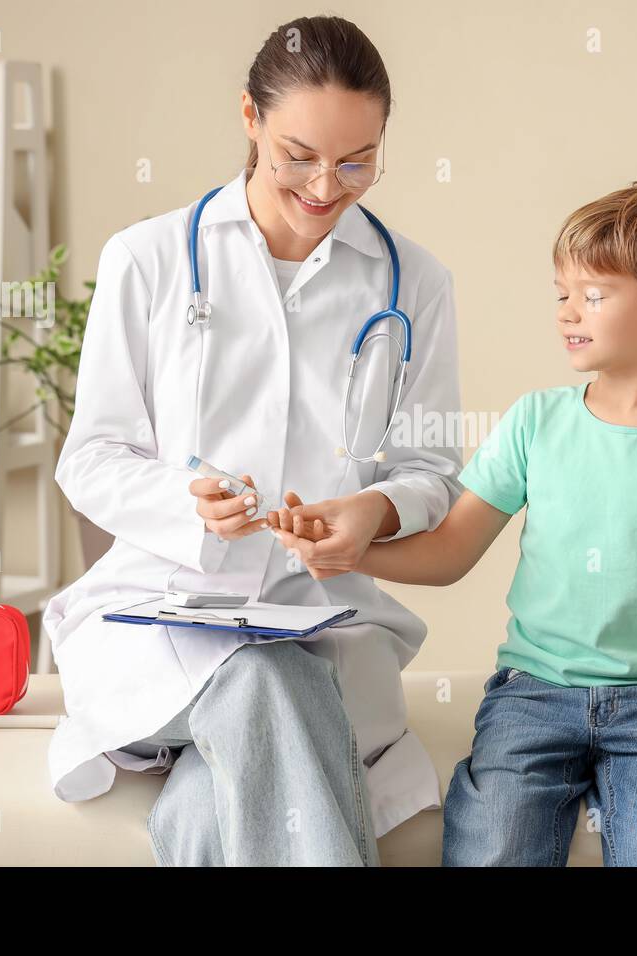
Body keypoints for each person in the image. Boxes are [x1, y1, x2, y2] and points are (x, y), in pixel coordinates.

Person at [41, 15, 463, 866]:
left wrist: (375, 510)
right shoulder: (151, 258)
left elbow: (432, 470)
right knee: (267, 679)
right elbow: (89, 458)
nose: (325, 185)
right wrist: (181, 503)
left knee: (210, 806)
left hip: (326, 621)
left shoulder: (413, 280)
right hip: (157, 620)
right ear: (248, 118)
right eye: (298, 154)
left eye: (357, 161)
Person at [274, 182, 637, 866]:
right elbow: (449, 551)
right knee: (494, 842)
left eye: (591, 295)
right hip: (534, 695)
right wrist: (355, 553)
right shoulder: (535, 421)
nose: (567, 312)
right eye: (560, 292)